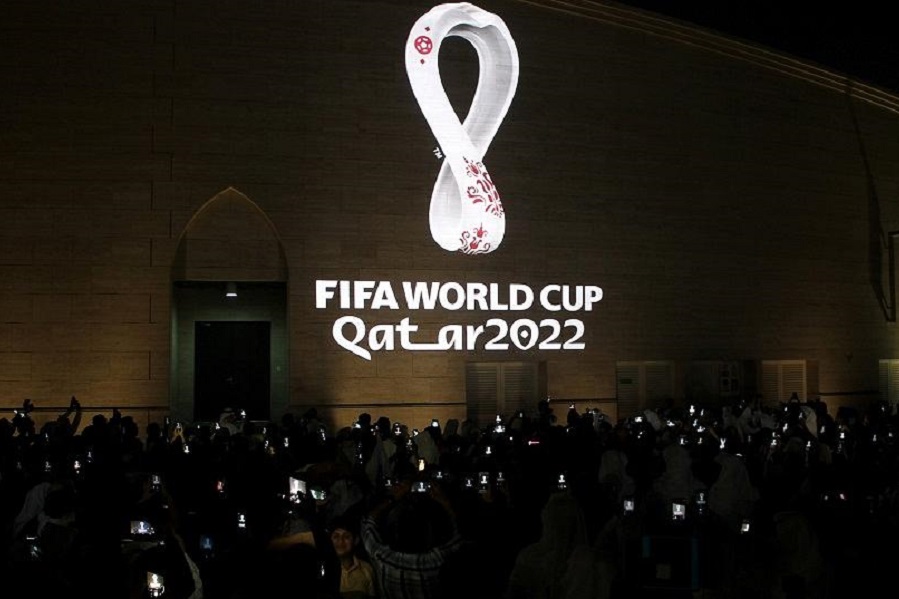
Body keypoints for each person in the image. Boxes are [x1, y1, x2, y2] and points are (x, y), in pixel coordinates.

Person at [360, 478, 462, 599]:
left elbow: (368, 523)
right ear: (428, 534)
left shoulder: (382, 557)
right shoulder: (436, 561)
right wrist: (441, 499)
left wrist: (393, 498)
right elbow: (458, 534)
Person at [328, 513, 376, 598]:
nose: (340, 541)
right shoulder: (323, 568)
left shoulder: (366, 569)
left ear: (356, 540)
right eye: (336, 536)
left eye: (346, 537)